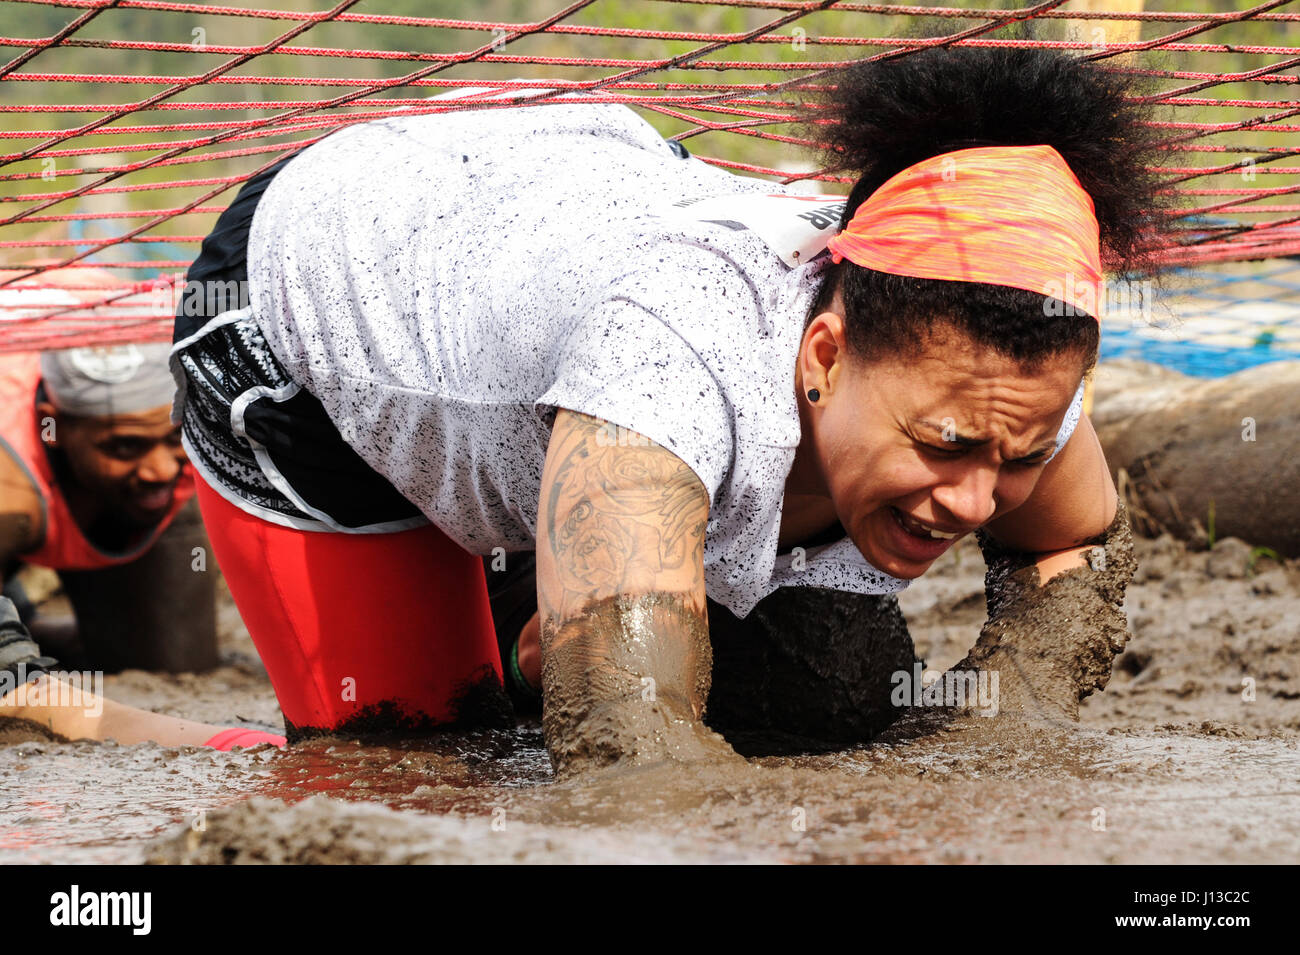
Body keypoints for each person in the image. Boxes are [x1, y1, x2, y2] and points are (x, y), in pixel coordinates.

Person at [170, 46, 1169, 772]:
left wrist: (1005, 733)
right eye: (943, 447)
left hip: (566, 220)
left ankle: (549, 607)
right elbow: (632, 752)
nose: (975, 500)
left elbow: (1066, 551)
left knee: (823, 700)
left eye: (1020, 453)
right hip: (315, 302)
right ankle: (546, 614)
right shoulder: (665, 368)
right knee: (417, 765)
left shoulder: (990, 352)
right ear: (824, 353)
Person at [0, 273, 284, 748]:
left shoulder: (203, 445)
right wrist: (230, 742)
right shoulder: (12, 487)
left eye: (173, 437)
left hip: (110, 313)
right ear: (53, 425)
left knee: (169, 662)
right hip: (21, 480)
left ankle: (44, 625)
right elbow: (17, 694)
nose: (156, 469)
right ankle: (19, 609)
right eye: (125, 446)